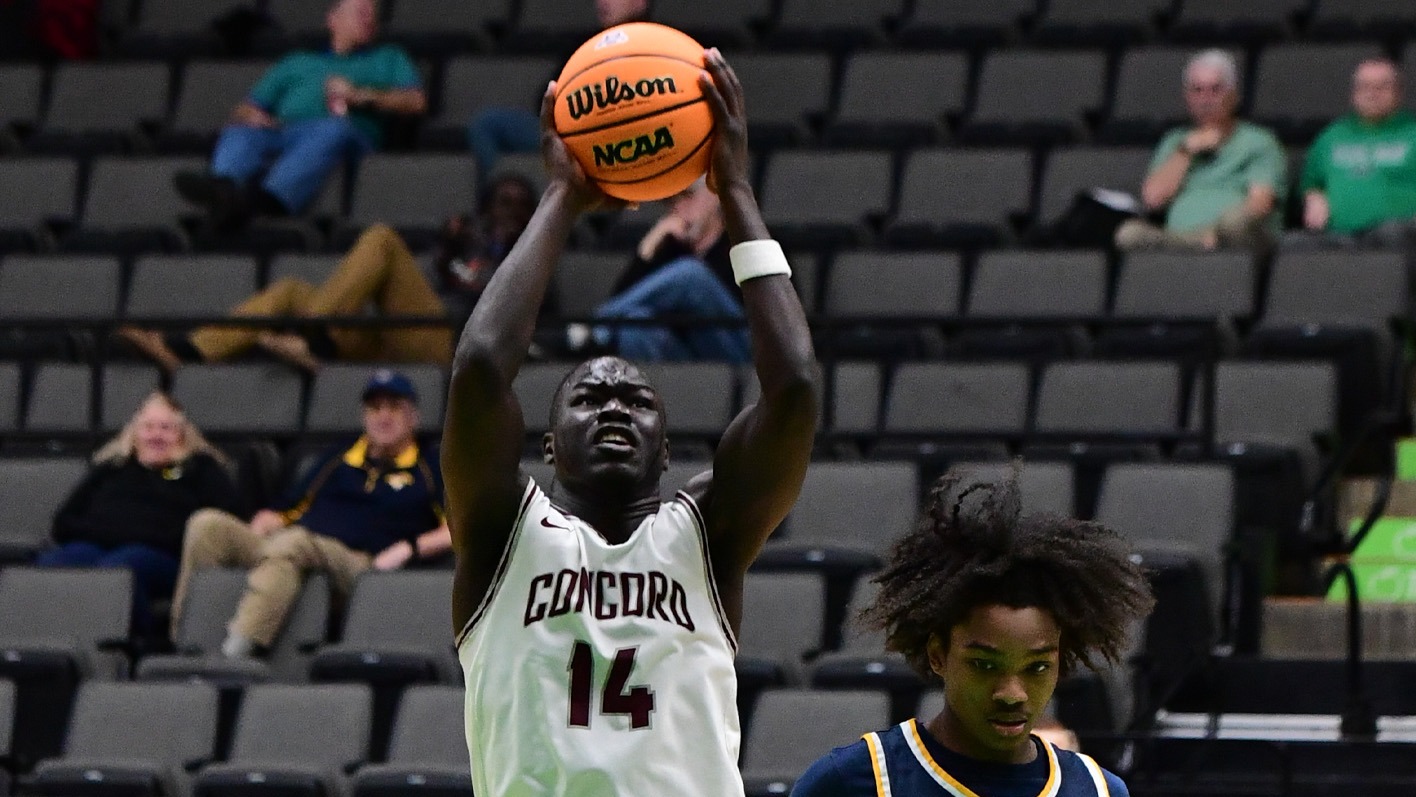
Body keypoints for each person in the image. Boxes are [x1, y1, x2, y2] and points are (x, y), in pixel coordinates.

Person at [446, 49, 819, 796]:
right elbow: (481, 367)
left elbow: (797, 388)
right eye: (588, 398)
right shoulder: (500, 534)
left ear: (666, 446)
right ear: (548, 444)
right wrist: (562, 196)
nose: (614, 404)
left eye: (636, 401)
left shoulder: (706, 535)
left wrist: (735, 189)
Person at [790, 469, 1154, 797]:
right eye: (985, 665)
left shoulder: (1097, 790)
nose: (1012, 694)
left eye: (1036, 668)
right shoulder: (851, 781)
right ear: (938, 654)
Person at [170, 370, 450, 657]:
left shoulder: (430, 467)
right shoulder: (339, 457)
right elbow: (288, 508)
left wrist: (409, 548)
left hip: (359, 563)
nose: (383, 417)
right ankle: (184, 641)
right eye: (375, 408)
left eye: (394, 408)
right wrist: (266, 522)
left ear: (413, 417)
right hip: (292, 546)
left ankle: (234, 653)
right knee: (206, 525)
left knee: (294, 543)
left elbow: (460, 529)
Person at [175, 0, 426, 229]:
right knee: (241, 129)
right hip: (283, 130)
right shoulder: (297, 61)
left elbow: (416, 102)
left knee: (333, 128)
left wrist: (361, 96)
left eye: (373, 16)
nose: (369, 19)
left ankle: (268, 203)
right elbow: (245, 107)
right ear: (333, 19)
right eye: (361, 12)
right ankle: (223, 190)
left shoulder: (389, 57)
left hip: (346, 132)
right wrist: (253, 116)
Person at [40, 392, 243, 635]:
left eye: (166, 428)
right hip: (96, 548)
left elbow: (227, 519)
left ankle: (132, 646)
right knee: (53, 565)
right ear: (135, 433)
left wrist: (117, 534)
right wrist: (117, 535)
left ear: (182, 434)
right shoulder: (111, 468)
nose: (156, 435)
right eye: (148, 427)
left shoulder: (200, 468)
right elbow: (63, 523)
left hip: (163, 557)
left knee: (119, 568)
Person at [1115, 49, 1286, 253]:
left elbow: (1260, 203)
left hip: (1236, 237)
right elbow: (1153, 200)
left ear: (1233, 96)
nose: (1206, 100)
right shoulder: (1175, 141)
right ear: (1187, 97)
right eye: (1197, 90)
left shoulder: (1259, 141)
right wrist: (1186, 151)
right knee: (1129, 234)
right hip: (1181, 239)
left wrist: (1214, 232)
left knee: (1234, 223)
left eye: (1215, 90)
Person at [465, 0, 648, 177]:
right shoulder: (585, 45)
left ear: (640, 2)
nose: (602, 2)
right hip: (570, 134)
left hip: (623, 141)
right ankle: (498, 199)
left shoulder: (663, 45)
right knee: (487, 123)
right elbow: (548, 95)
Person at [578, 177, 751, 363]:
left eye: (687, 196)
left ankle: (594, 326)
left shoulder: (741, 243)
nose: (678, 207)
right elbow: (623, 301)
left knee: (690, 274)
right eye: (671, 201)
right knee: (634, 324)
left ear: (715, 195)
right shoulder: (669, 251)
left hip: (740, 349)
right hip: (690, 358)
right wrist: (648, 247)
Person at [1297, 58, 1416, 247]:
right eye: (1365, 87)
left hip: (1399, 235)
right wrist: (1314, 197)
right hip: (1338, 236)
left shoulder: (1412, 133)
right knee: (1294, 244)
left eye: (1382, 87)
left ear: (1399, 93)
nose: (1372, 93)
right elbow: (1312, 184)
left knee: (1390, 233)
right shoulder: (1331, 136)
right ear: (1354, 93)